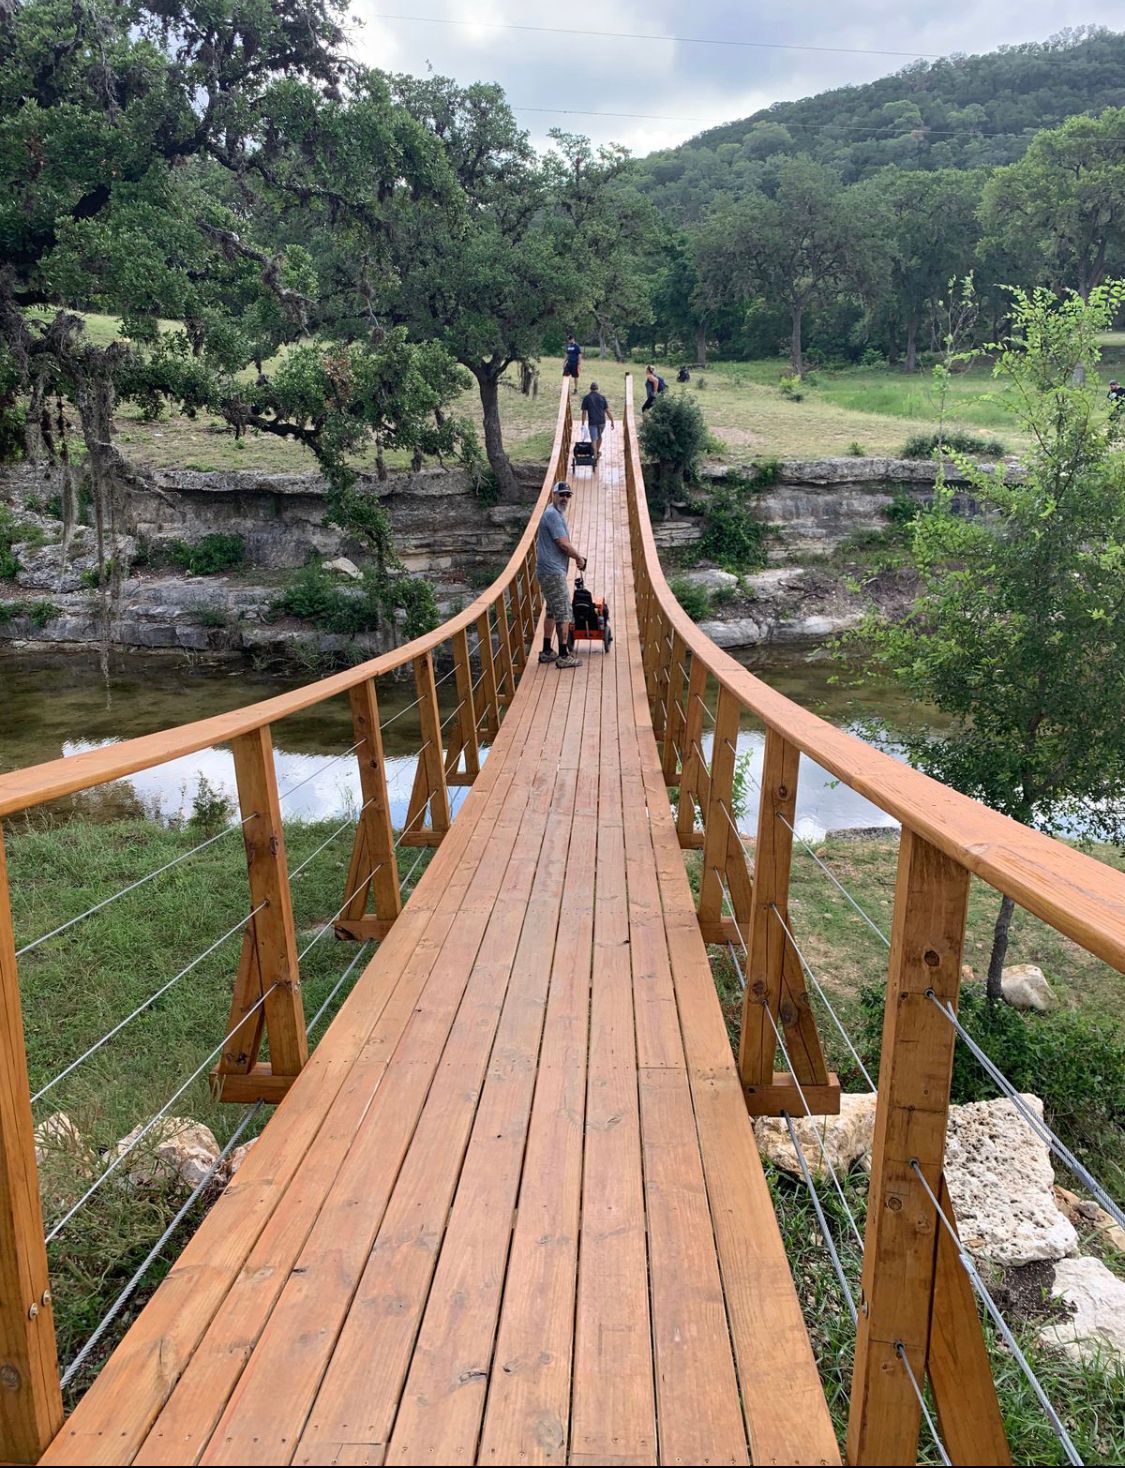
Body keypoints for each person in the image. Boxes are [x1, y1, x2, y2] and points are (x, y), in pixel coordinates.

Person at [535, 481, 586, 668]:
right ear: (553, 494)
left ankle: (547, 651)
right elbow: (563, 544)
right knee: (564, 611)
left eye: (568, 495)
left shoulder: (552, 512)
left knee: (551, 610)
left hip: (547, 570)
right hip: (552, 572)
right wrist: (579, 558)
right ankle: (564, 655)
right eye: (561, 494)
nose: (564, 498)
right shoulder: (553, 516)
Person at [579, 380, 614, 467]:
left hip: (592, 422)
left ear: (590, 389)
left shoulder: (586, 398)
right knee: (599, 437)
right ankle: (597, 452)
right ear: (597, 389)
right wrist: (612, 420)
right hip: (602, 422)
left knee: (594, 439)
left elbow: (584, 412)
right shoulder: (602, 398)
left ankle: (595, 455)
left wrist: (583, 424)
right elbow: (607, 411)